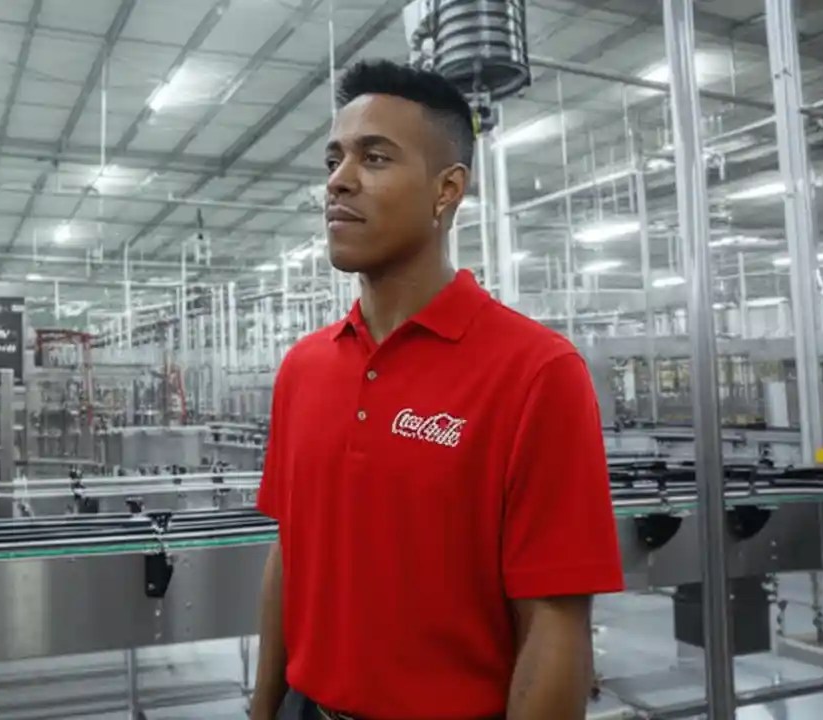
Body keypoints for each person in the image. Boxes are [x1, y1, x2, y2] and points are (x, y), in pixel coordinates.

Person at [250, 59, 625, 720]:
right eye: (334, 160)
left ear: (446, 190)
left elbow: (554, 621)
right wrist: (263, 709)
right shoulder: (303, 368)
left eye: (374, 157)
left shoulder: (537, 372)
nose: (338, 180)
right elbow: (290, 551)